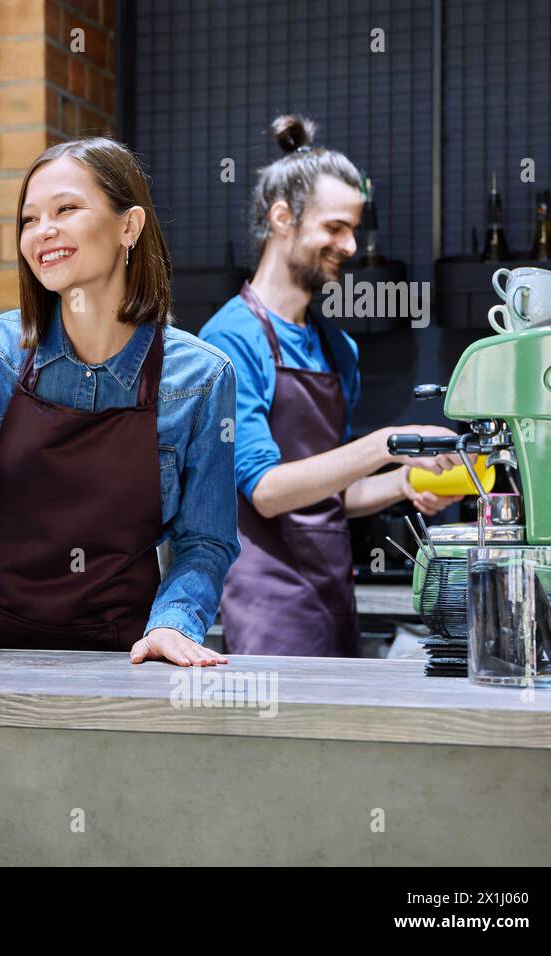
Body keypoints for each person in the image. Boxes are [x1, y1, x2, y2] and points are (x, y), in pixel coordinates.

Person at [0, 136, 238, 665]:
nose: (42, 231)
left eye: (66, 209)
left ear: (129, 226)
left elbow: (205, 541)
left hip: (132, 656)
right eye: (29, 219)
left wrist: (175, 624)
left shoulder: (202, 379)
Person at [199, 114, 461, 657]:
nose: (350, 245)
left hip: (335, 600)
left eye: (354, 228)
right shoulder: (230, 339)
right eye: (335, 228)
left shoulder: (339, 348)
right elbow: (267, 493)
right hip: (268, 611)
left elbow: (332, 495)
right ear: (282, 219)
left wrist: (402, 484)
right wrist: (385, 446)